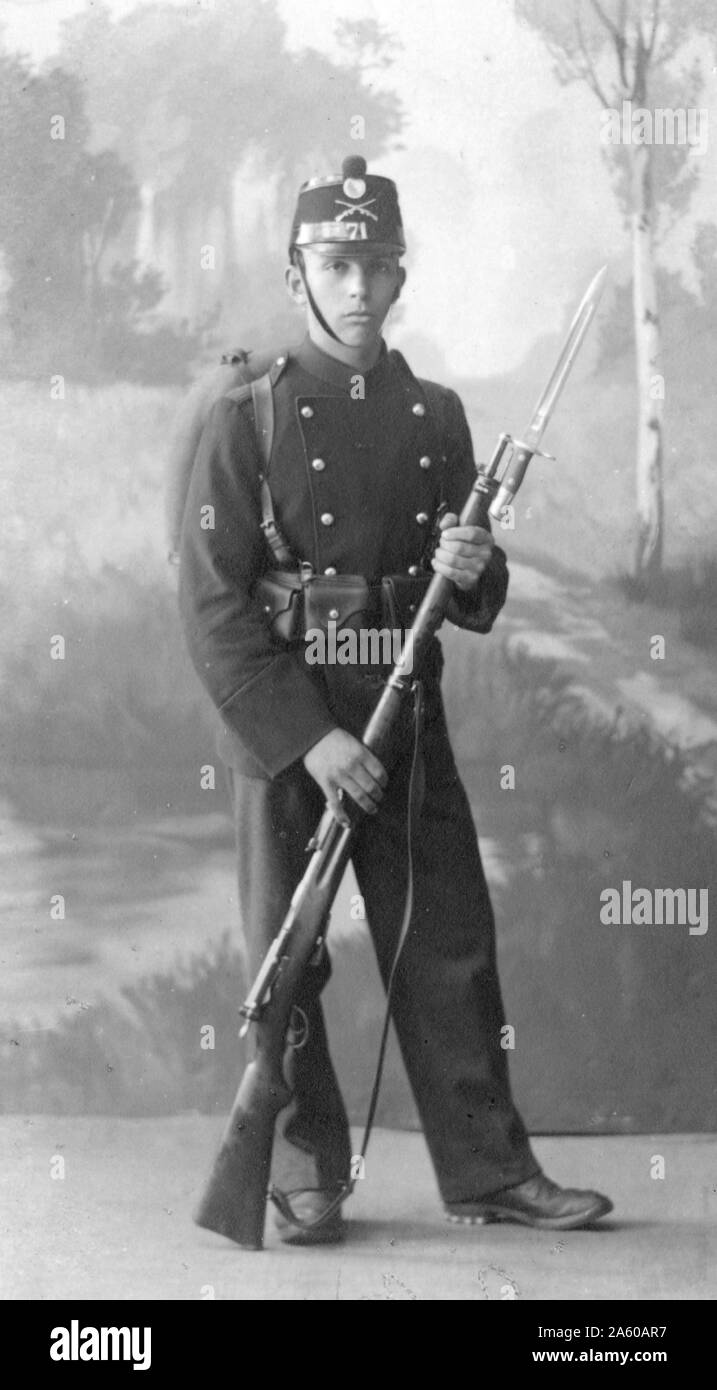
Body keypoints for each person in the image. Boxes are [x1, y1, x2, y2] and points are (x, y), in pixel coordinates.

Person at [178, 155, 612, 1244]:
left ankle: (489, 1172)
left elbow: (472, 598)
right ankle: (301, 1166)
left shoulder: (435, 414)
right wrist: (309, 742)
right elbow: (212, 606)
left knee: (449, 943)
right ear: (297, 277)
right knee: (291, 952)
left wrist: (470, 569)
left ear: (401, 275)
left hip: (403, 708)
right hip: (289, 722)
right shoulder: (246, 416)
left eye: (376, 265)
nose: (358, 286)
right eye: (335, 264)